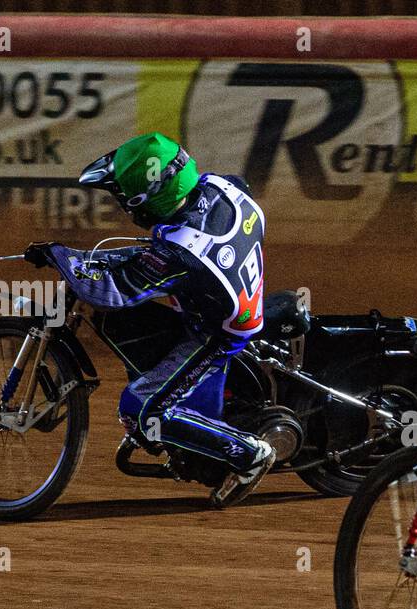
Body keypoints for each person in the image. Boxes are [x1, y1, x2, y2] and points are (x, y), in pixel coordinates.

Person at [24, 132, 274, 506]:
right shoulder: (222, 187)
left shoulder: (181, 252)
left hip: (215, 333)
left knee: (141, 408)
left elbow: (109, 292)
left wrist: (60, 255)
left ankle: (248, 453)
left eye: (124, 199)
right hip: (215, 292)